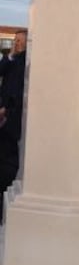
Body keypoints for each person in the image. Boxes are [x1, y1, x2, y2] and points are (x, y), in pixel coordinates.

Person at [0, 30, 27, 223]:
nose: (17, 43)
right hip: (5, 110)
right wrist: (9, 55)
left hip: (13, 114)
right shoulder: (12, 59)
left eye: (20, 41)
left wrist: (6, 109)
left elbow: (18, 89)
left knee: (9, 155)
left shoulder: (26, 60)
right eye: (15, 41)